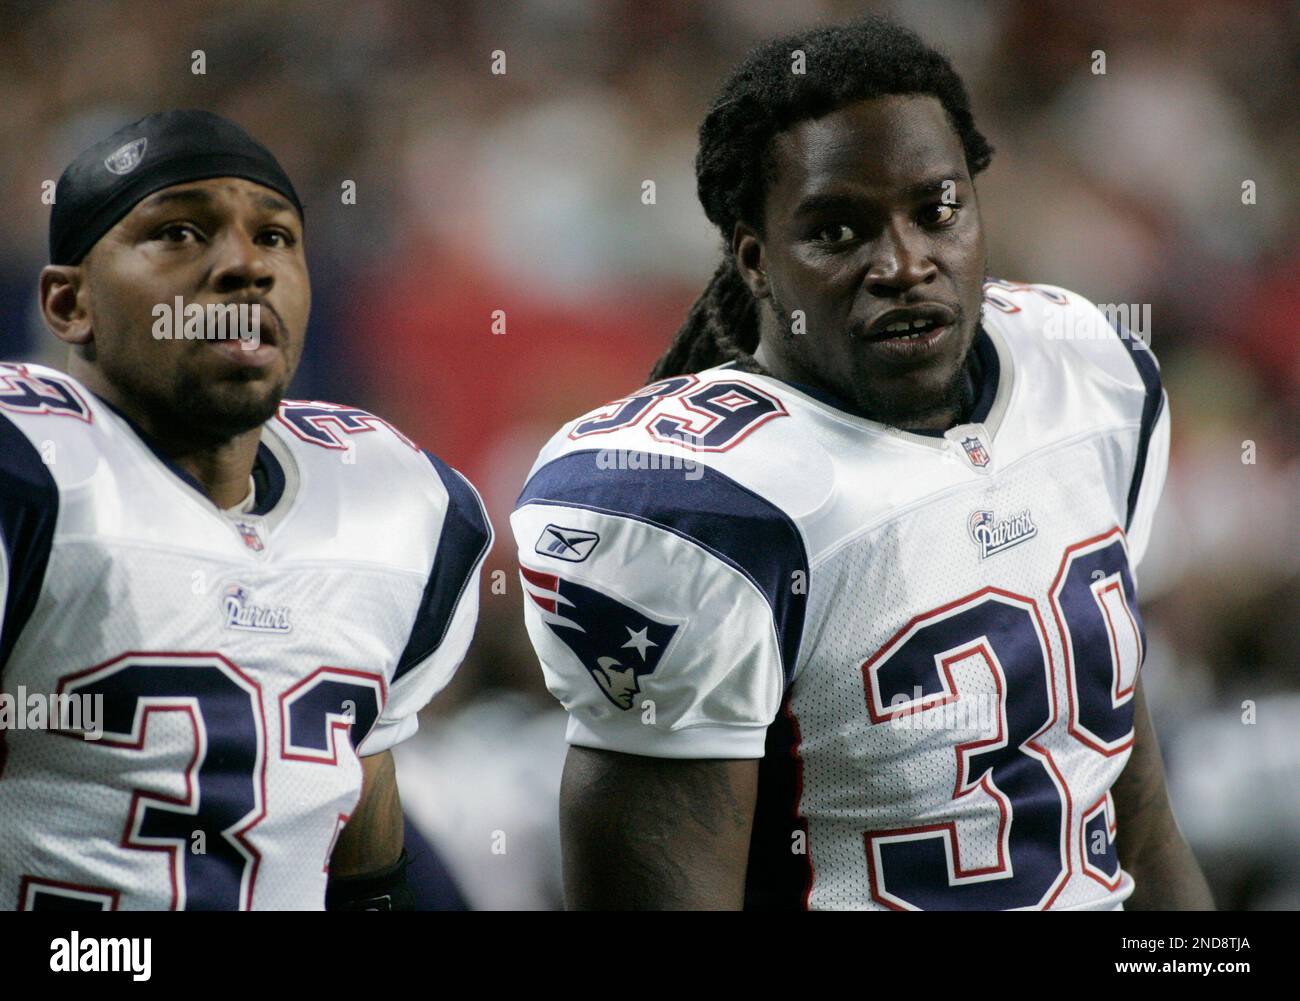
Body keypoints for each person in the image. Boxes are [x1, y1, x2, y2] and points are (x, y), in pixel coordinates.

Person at [511, 17, 1212, 910]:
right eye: (840, 231)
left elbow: (1135, 816)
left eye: (937, 210)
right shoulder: (705, 505)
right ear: (757, 262)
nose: (906, 262)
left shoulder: (1082, 373)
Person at [0, 110, 492, 910]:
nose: (243, 265)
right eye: (181, 232)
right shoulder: (27, 471)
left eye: (275, 238)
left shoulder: (399, 502)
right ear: (68, 304)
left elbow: (362, 849)